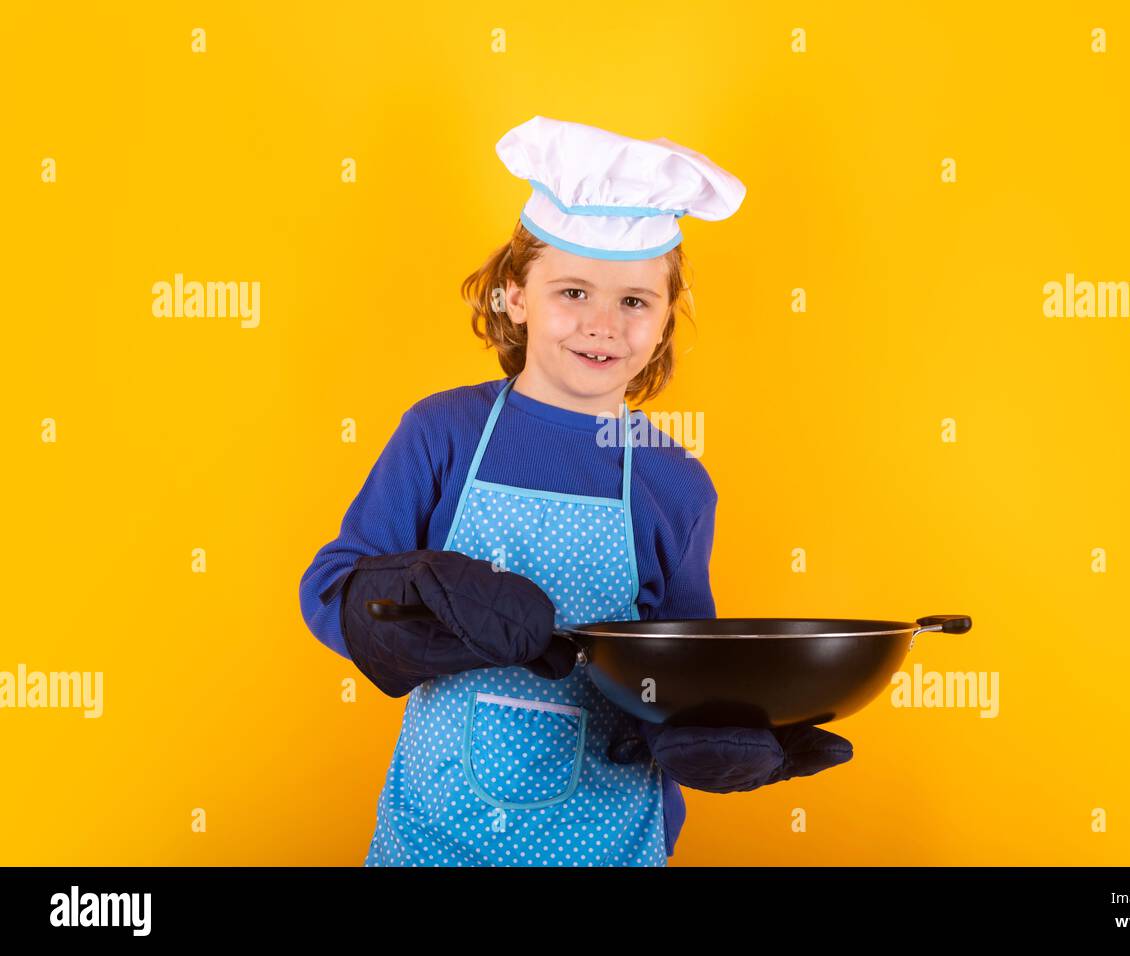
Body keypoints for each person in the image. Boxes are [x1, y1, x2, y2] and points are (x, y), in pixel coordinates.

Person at [299, 115, 850, 867]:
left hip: (609, 834)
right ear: (516, 297)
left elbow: (682, 671)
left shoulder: (675, 483)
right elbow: (329, 587)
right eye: (573, 291)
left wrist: (716, 738)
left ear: (663, 321)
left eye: (634, 302)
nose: (603, 325)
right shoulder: (443, 432)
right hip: (437, 831)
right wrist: (400, 608)